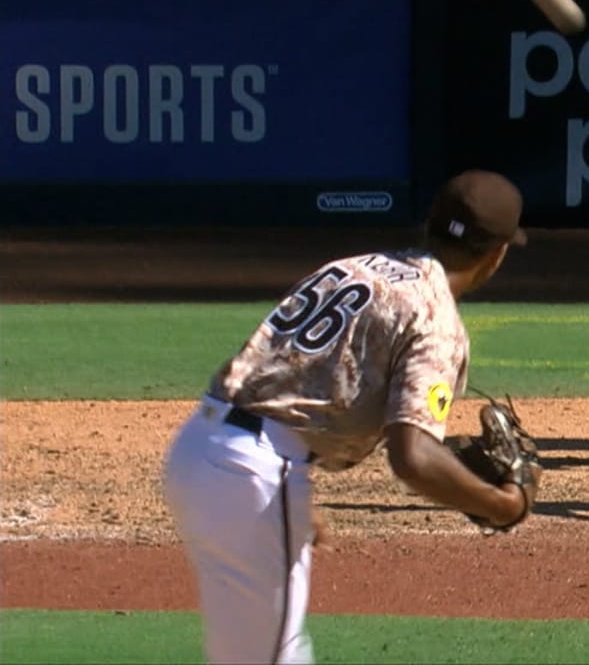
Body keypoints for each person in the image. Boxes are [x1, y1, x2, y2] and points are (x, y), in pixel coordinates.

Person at [162, 170, 539, 662]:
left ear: (431, 224)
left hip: (203, 447)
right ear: (497, 255)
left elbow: (277, 371)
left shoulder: (353, 268)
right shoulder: (435, 318)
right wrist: (504, 506)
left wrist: (285, 500)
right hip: (252, 472)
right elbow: (414, 458)